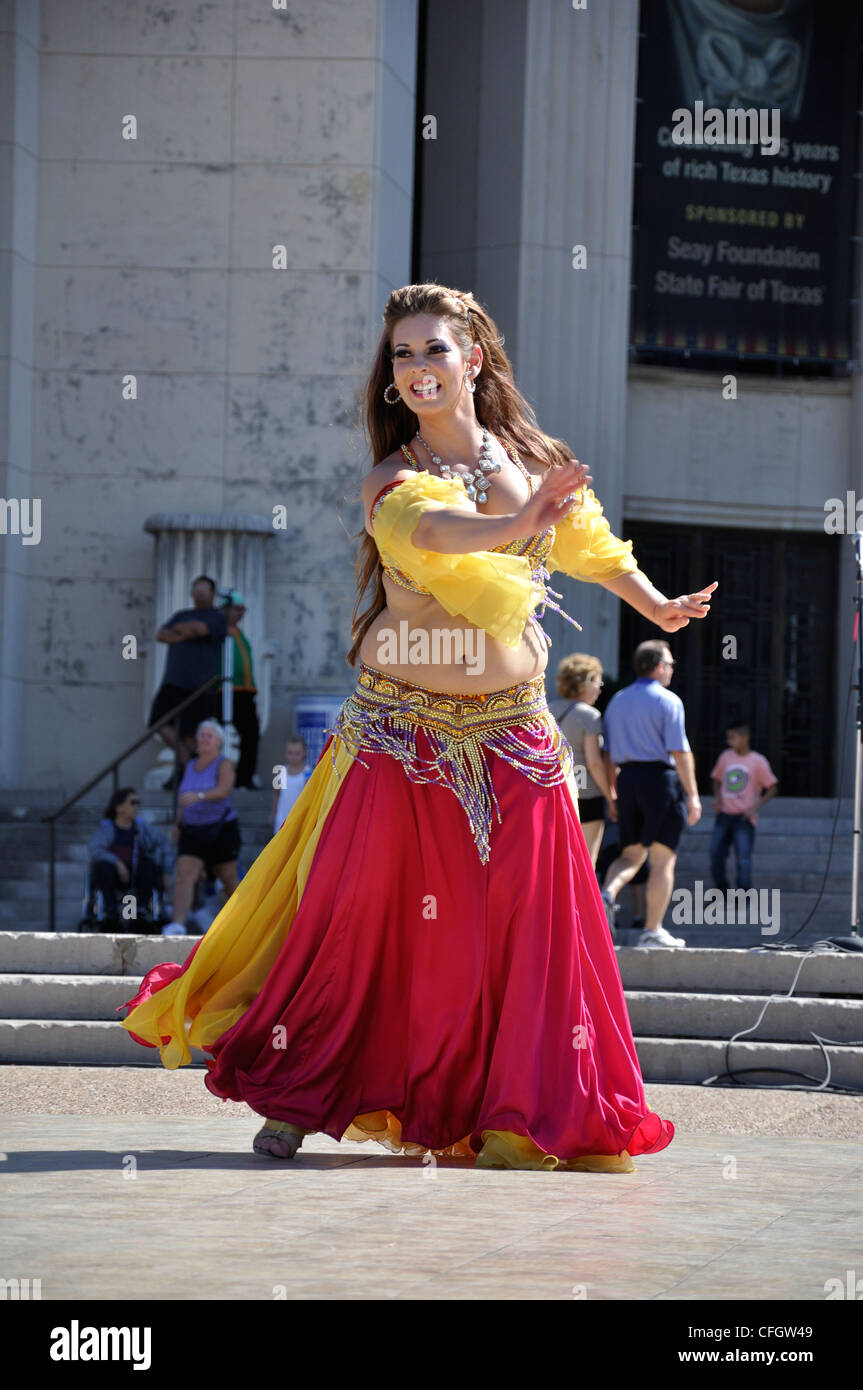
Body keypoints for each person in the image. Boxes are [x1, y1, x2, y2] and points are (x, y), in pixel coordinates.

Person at [121, 282, 716, 1171]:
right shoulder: (392, 479)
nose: (415, 367)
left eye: (432, 348)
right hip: (399, 732)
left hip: (515, 733)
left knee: (529, 925)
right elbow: (430, 536)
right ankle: (300, 1093)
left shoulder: (533, 459)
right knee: (358, 919)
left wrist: (654, 603)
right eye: (401, 354)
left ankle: (525, 1107)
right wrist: (519, 520)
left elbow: (589, 545)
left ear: (471, 358)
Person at [600, 640, 700, 948]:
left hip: (627, 781)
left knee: (629, 855)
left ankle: (606, 894)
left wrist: (612, 795)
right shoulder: (669, 701)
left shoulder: (617, 700)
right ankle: (652, 930)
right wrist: (693, 795)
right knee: (662, 859)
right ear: (658, 667)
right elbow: (679, 751)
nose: (671, 670)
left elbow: (608, 755)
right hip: (660, 782)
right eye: (669, 664)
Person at [160, 719, 241, 937]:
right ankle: (178, 924)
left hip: (220, 828)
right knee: (185, 874)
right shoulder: (190, 765)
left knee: (228, 878)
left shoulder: (224, 764)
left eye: (209, 736)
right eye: (202, 735)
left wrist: (200, 796)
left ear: (219, 741)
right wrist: (178, 823)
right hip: (192, 829)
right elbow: (184, 798)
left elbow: (223, 790)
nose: (205, 739)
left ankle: (244, 921)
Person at [148, 576, 228, 775]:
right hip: (172, 680)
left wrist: (180, 632)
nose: (199, 593)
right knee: (158, 722)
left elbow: (202, 629)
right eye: (196, 589)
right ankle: (186, 762)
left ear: (212, 593)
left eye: (204, 589)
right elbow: (162, 635)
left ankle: (188, 771)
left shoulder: (217, 617)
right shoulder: (181, 615)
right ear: (191, 592)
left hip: (198, 685)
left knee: (190, 733)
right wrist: (188, 632)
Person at [552, 653, 616, 866]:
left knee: (559, 862)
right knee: (586, 862)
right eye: (598, 682)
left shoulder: (548, 709)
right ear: (586, 683)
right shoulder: (589, 715)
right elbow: (595, 764)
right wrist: (610, 797)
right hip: (586, 793)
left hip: (556, 792)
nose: (600, 689)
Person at [87, 788, 171, 932]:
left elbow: (164, 844)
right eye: (132, 802)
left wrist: (167, 871)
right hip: (114, 874)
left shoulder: (142, 827)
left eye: (138, 803)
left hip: (137, 874)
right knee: (103, 866)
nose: (136, 806)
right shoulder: (107, 828)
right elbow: (95, 850)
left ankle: (140, 914)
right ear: (119, 807)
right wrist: (117, 863)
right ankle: (111, 914)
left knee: (149, 865)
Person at [710, 722, 779, 891]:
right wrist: (718, 799)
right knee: (715, 854)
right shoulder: (725, 757)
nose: (729, 741)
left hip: (744, 818)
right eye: (728, 737)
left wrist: (755, 808)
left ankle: (743, 896)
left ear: (745, 737)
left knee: (743, 860)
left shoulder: (758, 761)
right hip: (724, 815)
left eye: (733, 737)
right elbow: (717, 779)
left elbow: (772, 787)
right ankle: (722, 891)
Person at [218, 590, 260, 789]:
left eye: (243, 609)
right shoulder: (218, 631)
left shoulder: (238, 633)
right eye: (237, 609)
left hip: (244, 692)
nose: (241, 613)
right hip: (224, 691)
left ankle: (244, 778)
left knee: (251, 734)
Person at [271, 736, 312, 836]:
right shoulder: (280, 772)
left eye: (297, 753)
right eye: (290, 753)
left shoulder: (308, 773)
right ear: (285, 753)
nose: (293, 756)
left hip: (299, 822)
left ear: (304, 753)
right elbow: (276, 794)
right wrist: (273, 814)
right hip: (281, 821)